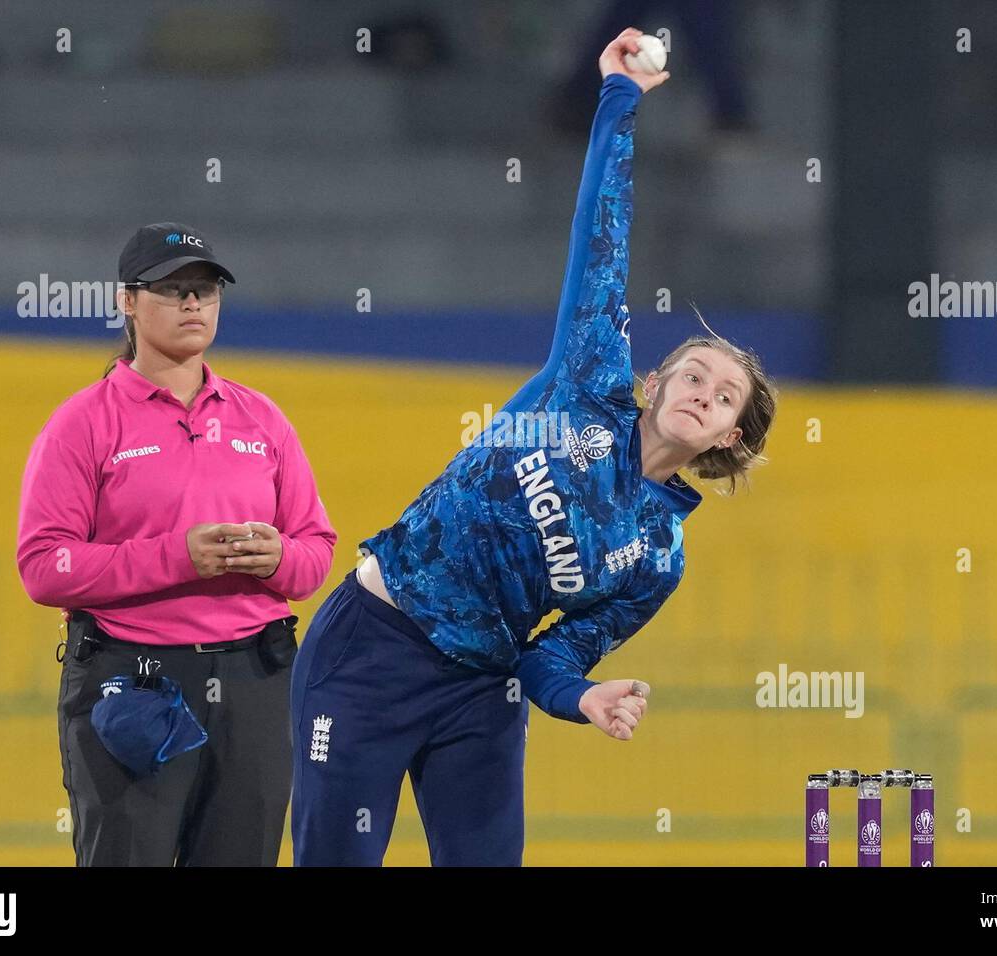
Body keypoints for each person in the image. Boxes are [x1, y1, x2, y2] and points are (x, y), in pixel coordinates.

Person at [290, 29, 777, 866]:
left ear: (729, 437)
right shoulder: (587, 379)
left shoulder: (657, 555)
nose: (703, 392)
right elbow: (602, 240)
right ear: (653, 384)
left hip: (484, 690)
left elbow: (555, 651)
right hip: (375, 644)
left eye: (723, 395)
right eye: (692, 375)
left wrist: (583, 698)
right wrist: (620, 101)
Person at [16, 222, 337, 865]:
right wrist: (176, 556)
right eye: (172, 289)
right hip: (134, 676)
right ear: (127, 302)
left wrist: (282, 558)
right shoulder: (84, 422)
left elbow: (316, 551)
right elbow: (44, 565)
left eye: (206, 290)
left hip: (256, 676)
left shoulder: (261, 418)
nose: (193, 304)